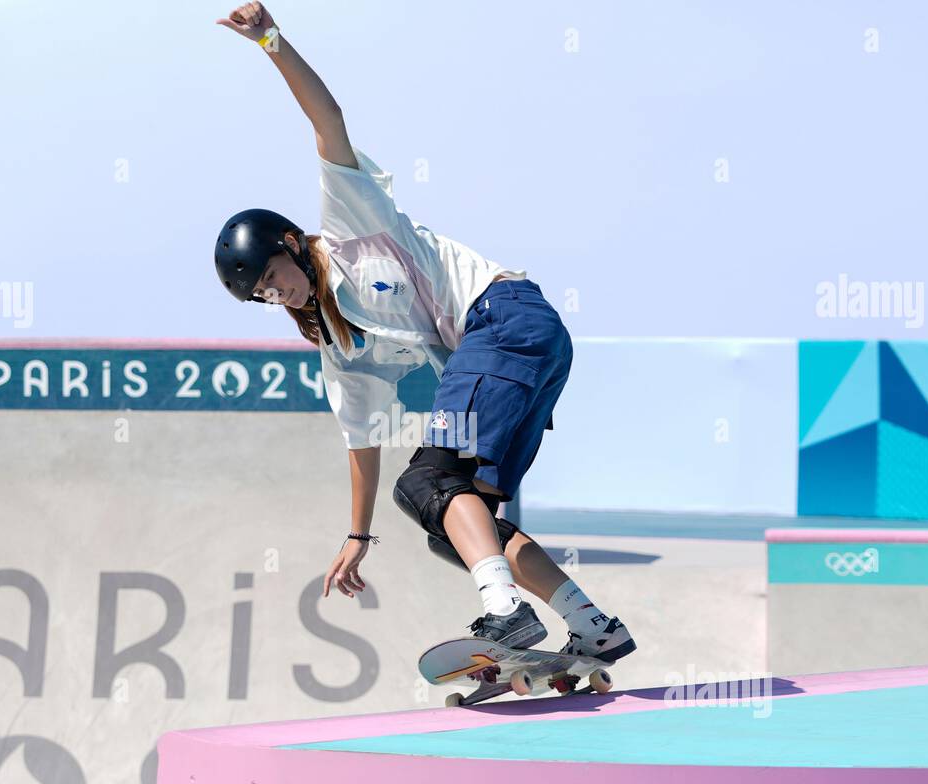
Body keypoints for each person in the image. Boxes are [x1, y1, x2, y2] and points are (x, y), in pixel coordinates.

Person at [213, 3, 634, 663]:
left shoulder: (351, 224)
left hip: (503, 314)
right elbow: (361, 440)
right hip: (521, 351)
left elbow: (328, 121)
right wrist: (358, 535)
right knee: (463, 528)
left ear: (292, 244)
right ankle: (593, 624)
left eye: (274, 273)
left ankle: (505, 612)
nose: (278, 291)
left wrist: (271, 40)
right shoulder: (338, 342)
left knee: (430, 483)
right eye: (264, 292)